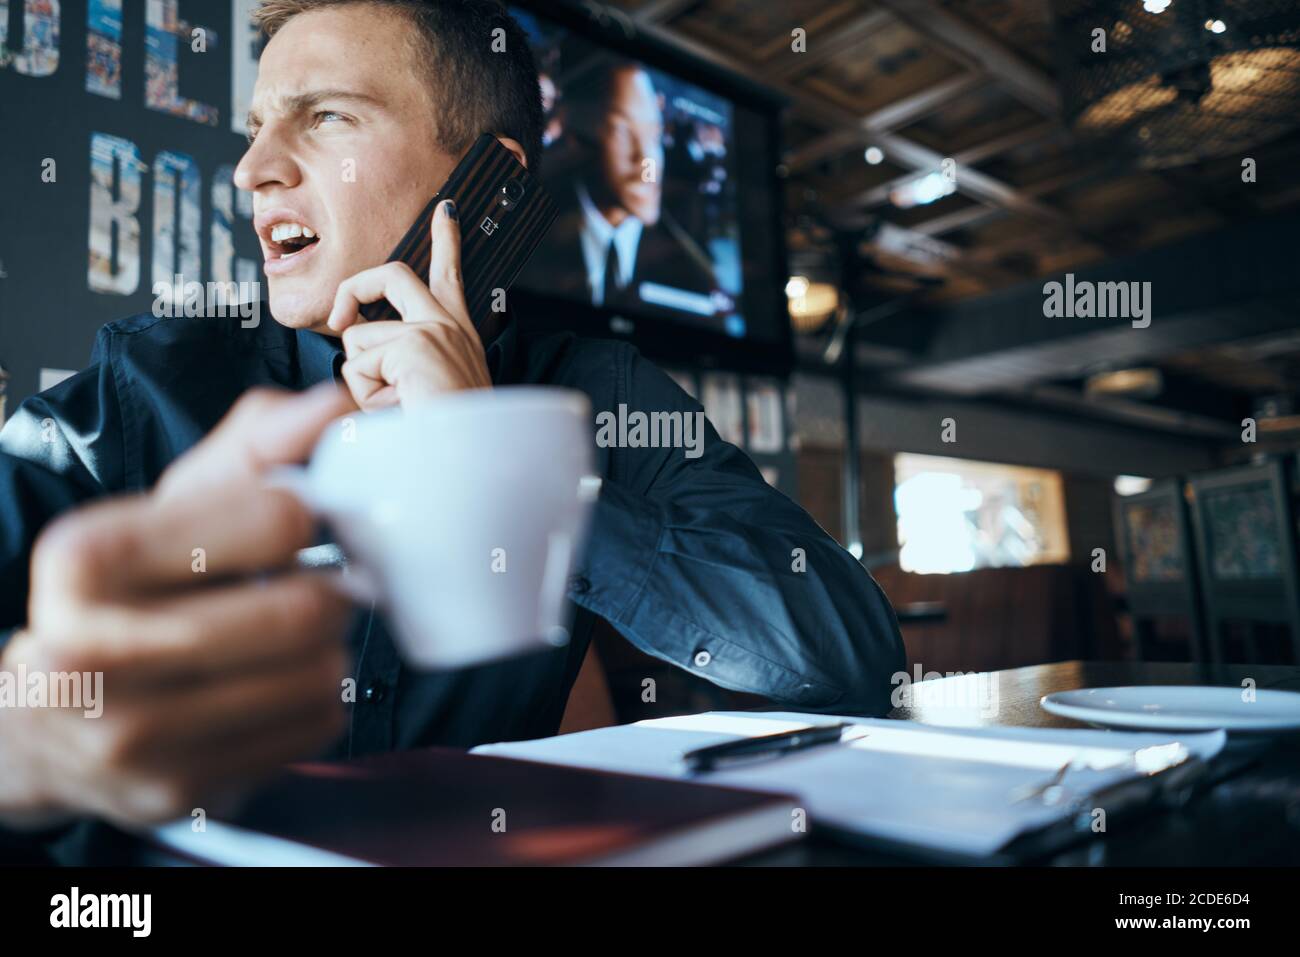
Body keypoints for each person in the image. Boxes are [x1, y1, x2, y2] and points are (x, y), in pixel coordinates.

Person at [0, 0, 904, 852]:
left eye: (325, 119)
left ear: (488, 186)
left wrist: (504, 468)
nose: (252, 168)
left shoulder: (602, 394)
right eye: (256, 128)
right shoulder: (140, 389)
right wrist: (32, 742)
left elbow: (850, 656)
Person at [521, 59, 719, 308]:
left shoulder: (690, 258)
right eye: (624, 131)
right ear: (576, 133)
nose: (647, 162)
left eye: (654, 134)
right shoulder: (528, 232)